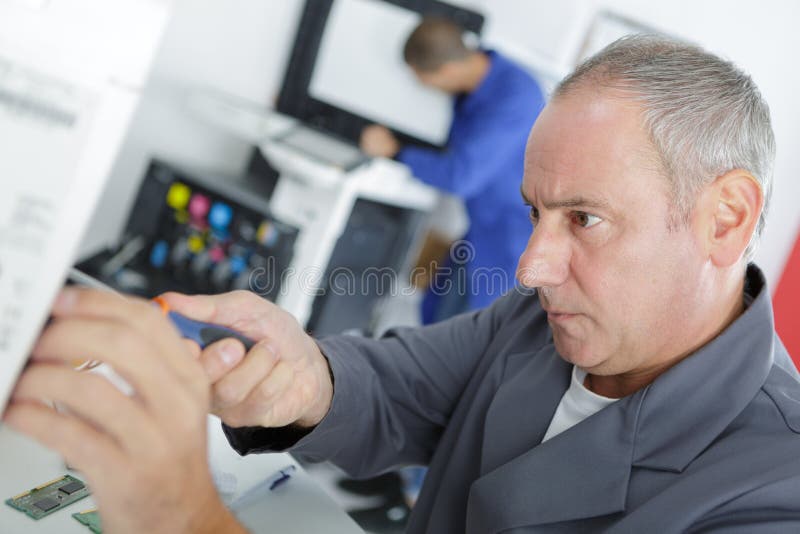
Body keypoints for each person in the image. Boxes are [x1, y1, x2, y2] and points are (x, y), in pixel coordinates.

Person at [5, 34, 800, 533]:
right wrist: (298, 376)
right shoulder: (534, 324)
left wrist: (188, 518)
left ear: (725, 219)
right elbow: (396, 387)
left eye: (584, 219)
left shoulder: (772, 494)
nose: (529, 268)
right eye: (535, 213)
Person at [360, 17, 545, 323]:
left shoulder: (516, 96)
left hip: (509, 246)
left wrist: (395, 151)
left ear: (446, 71)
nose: (427, 90)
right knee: (431, 315)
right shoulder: (476, 83)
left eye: (424, 81)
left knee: (457, 338)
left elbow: (461, 177)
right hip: (479, 231)